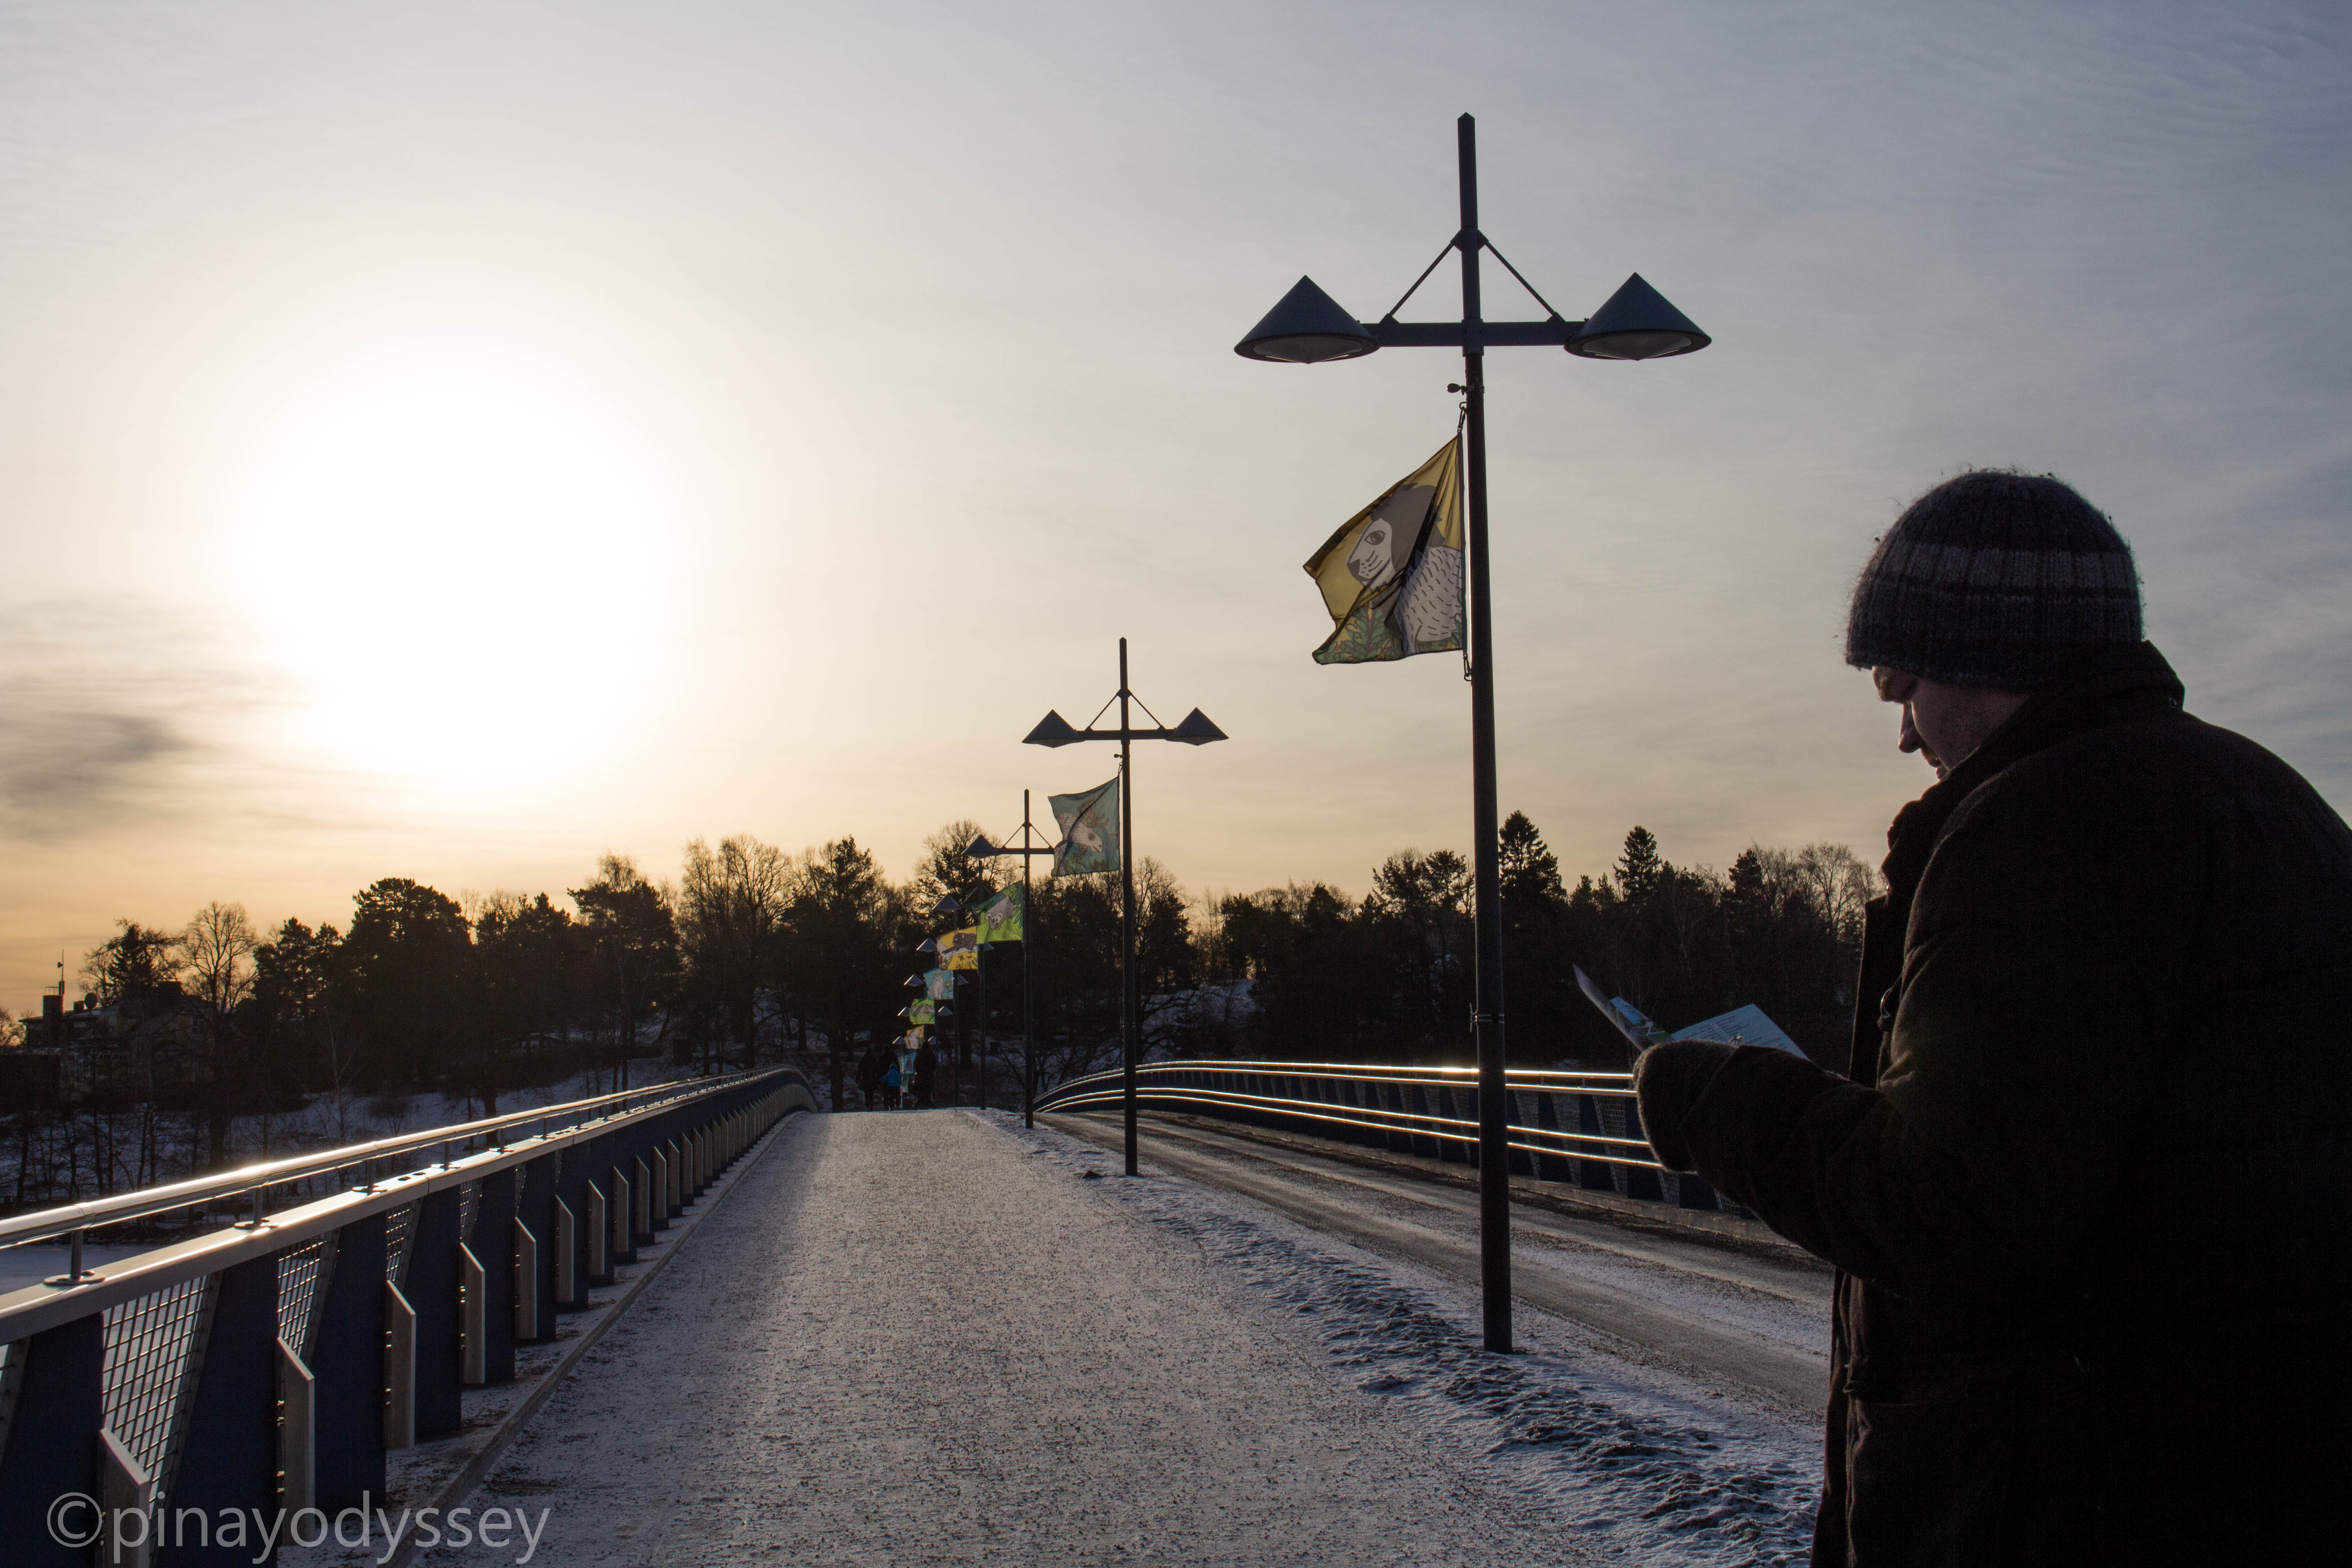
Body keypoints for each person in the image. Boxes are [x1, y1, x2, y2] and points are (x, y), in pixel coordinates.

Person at [1632, 470, 2352, 1563]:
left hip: (2074, 1485)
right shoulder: (2278, 805)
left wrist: (1715, 1099)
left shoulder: (2037, 832)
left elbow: (1958, 1206)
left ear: (1985, 657)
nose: (1905, 731)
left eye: (1899, 683)